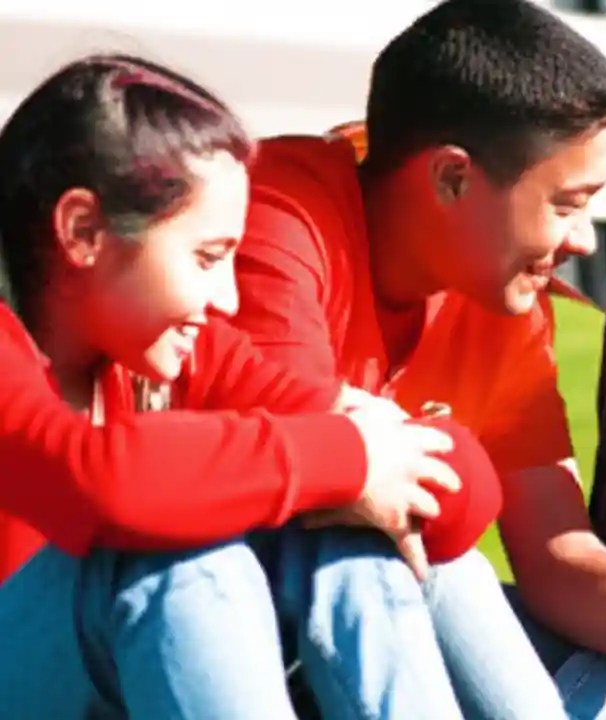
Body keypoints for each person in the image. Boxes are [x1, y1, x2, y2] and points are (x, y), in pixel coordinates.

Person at [229, 1, 606, 717]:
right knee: (400, 551)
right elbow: (320, 472)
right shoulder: (280, 215)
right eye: (568, 203)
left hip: (390, 620)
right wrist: (449, 476)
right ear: (453, 179)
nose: (585, 241)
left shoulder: (504, 302)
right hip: (235, 619)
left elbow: (560, 559)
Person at [0, 53, 518, 720]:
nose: (227, 297)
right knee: (182, 561)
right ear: (83, 231)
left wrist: (363, 467)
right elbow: (101, 482)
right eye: (208, 258)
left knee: (347, 533)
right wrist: (351, 456)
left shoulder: (187, 355)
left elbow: (459, 485)